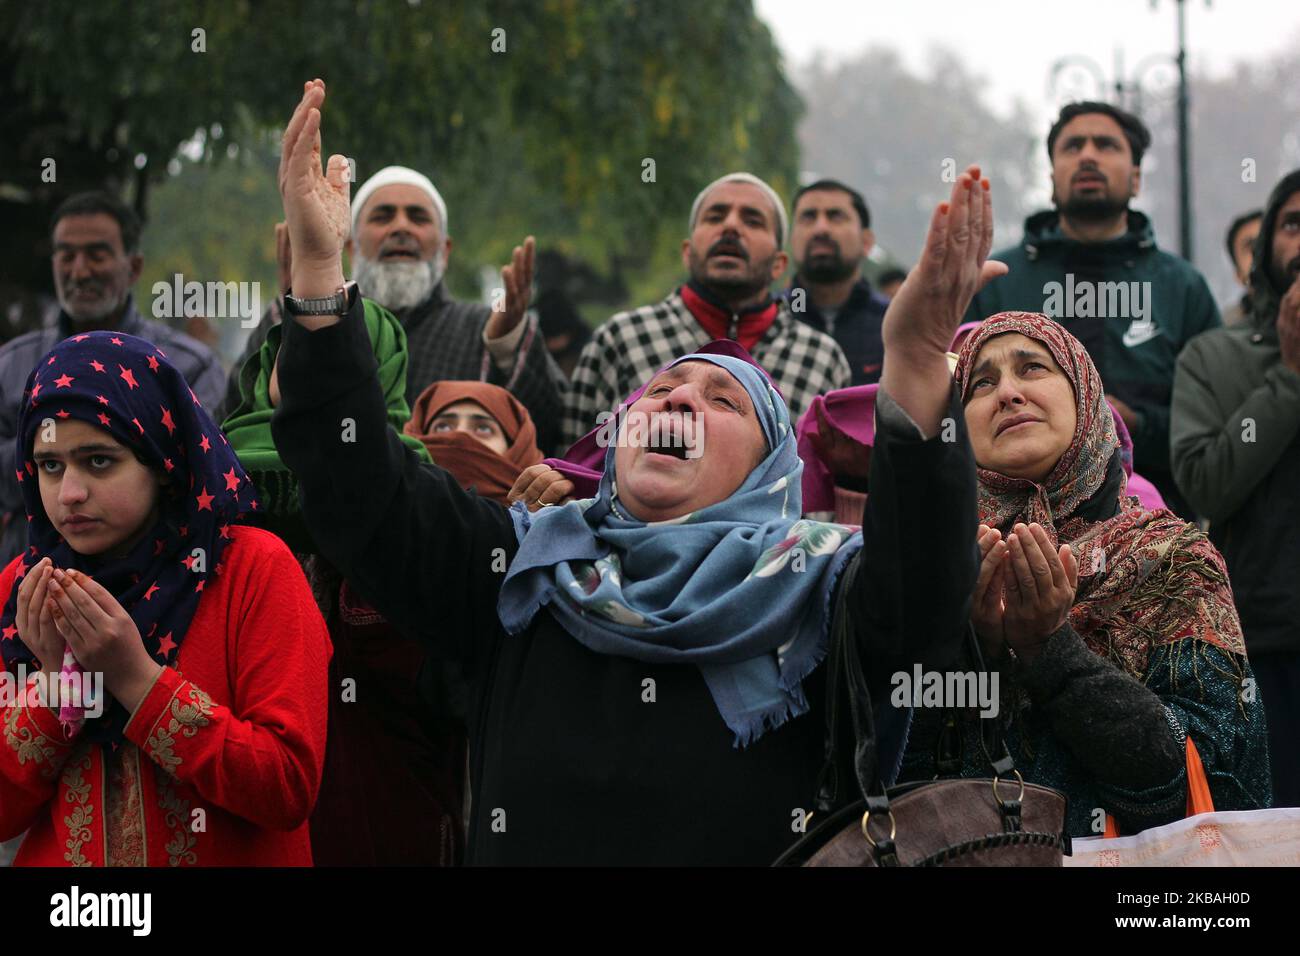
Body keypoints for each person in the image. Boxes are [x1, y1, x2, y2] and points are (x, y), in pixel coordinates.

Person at [269, 79, 989, 864]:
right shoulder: (521, 570)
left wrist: (917, 367)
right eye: (664, 389)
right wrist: (316, 278)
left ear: (770, 472)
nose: (682, 395)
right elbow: (362, 494)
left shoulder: (824, 591)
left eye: (724, 399)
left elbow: (924, 594)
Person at [900, 312, 1270, 838]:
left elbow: (1209, 779)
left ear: (1086, 397)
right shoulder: (933, 570)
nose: (1007, 393)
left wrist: (1049, 650)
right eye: (981, 383)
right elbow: (897, 778)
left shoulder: (1170, 556)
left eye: (1032, 368)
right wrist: (970, 644)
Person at [0, 331, 329, 865]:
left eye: (99, 461)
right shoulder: (27, 589)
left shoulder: (251, 570)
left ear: (163, 460)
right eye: (50, 465)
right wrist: (58, 686)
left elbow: (286, 787)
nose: (70, 493)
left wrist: (134, 678)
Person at [964, 101, 1221, 520]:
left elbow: (1213, 425)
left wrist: (1136, 425)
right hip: (1013, 533)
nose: (1087, 155)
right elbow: (956, 400)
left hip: (1160, 527)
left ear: (1136, 179)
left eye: (1105, 145)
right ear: (1051, 180)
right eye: (1072, 146)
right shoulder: (999, 279)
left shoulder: (1182, 287)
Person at [219, 168, 567, 451]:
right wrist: (299, 326)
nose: (401, 227)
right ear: (351, 249)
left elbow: (550, 433)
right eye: (383, 217)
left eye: (417, 217)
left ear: (444, 251)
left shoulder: (484, 327)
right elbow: (231, 423)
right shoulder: (300, 314)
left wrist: (507, 342)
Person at [0, 192, 227, 567]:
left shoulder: (187, 368)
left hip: (157, 586)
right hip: (30, 584)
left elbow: (201, 471)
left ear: (134, 267)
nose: (80, 270)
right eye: (66, 255)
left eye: (97, 254)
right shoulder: (11, 366)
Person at [1171, 168, 1300, 808]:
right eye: (1294, 223)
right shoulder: (1214, 358)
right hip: (1260, 650)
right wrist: (1291, 377)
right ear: (1265, 250)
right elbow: (1207, 484)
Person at [564, 171, 849, 447]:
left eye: (753, 221)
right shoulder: (620, 339)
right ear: (687, 253)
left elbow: (821, 488)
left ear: (779, 264)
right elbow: (572, 469)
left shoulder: (822, 359)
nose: (731, 227)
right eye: (715, 217)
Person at [787, 179, 891, 386]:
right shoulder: (766, 322)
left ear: (867, 242)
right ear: (791, 239)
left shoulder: (895, 328)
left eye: (835, 216)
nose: (821, 228)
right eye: (808, 217)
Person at [1222, 209, 1263, 327]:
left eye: (1268, 242)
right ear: (1239, 276)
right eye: (1251, 246)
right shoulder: (1223, 333)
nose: (1261, 252)